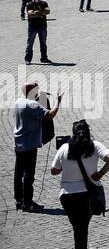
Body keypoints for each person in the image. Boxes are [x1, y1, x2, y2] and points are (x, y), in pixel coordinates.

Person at [50, 119, 109, 249]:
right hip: (87, 193)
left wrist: (65, 166)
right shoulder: (95, 146)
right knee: (82, 225)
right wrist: (100, 173)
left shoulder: (64, 148)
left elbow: (54, 171)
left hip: (67, 194)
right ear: (88, 132)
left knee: (78, 226)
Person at [13, 80, 60, 211]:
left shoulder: (18, 102)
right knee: (29, 174)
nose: (38, 92)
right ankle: (28, 202)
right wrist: (58, 101)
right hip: (29, 144)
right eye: (36, 90)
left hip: (19, 142)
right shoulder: (32, 105)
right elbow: (51, 115)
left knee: (18, 173)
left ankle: (18, 200)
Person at [24, 0, 50, 64]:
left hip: (42, 26)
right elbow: (30, 14)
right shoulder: (29, 4)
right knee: (30, 43)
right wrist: (41, 13)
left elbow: (48, 11)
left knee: (43, 43)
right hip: (32, 26)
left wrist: (38, 12)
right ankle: (28, 59)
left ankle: (44, 58)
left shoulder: (44, 3)